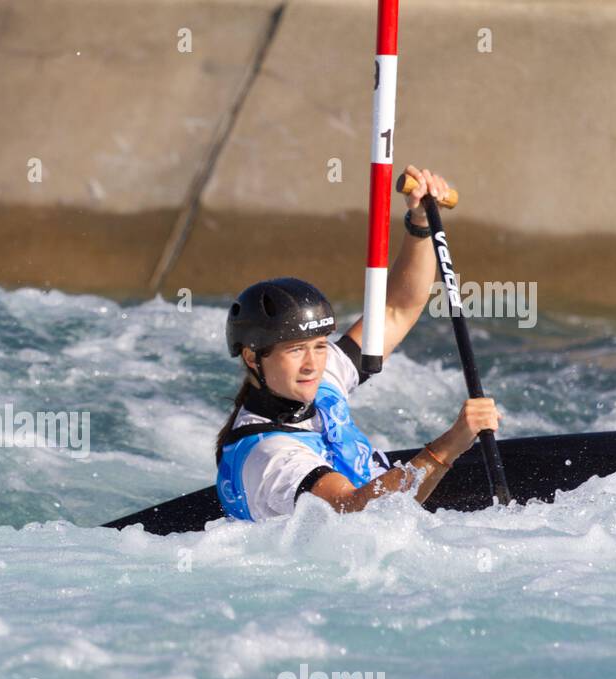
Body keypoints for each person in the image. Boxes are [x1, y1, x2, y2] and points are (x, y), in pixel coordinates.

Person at [215, 165, 501, 521]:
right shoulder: (269, 455)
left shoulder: (318, 378)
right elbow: (355, 513)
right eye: (294, 350)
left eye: (319, 345)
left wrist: (421, 223)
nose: (312, 363)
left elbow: (397, 308)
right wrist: (448, 447)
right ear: (252, 357)